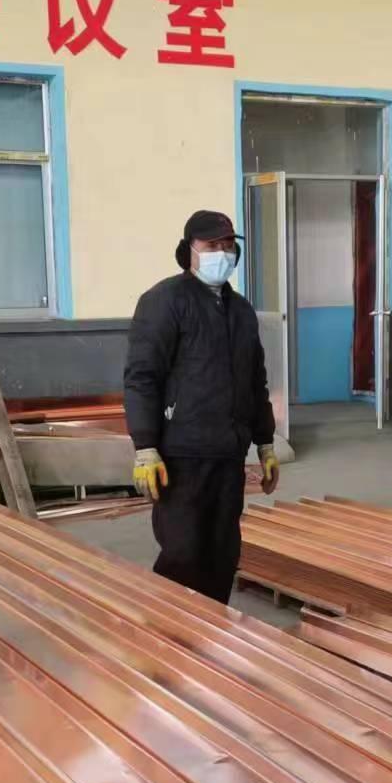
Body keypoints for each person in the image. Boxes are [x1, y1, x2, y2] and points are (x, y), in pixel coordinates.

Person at [123, 209, 281, 603]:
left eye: (228, 245)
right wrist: (145, 447)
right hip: (182, 455)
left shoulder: (241, 310)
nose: (222, 253)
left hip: (228, 453)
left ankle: (212, 630)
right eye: (212, 245)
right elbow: (142, 378)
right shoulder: (164, 302)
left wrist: (264, 443)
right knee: (183, 552)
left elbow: (255, 381)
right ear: (189, 250)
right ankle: (170, 629)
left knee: (222, 552)